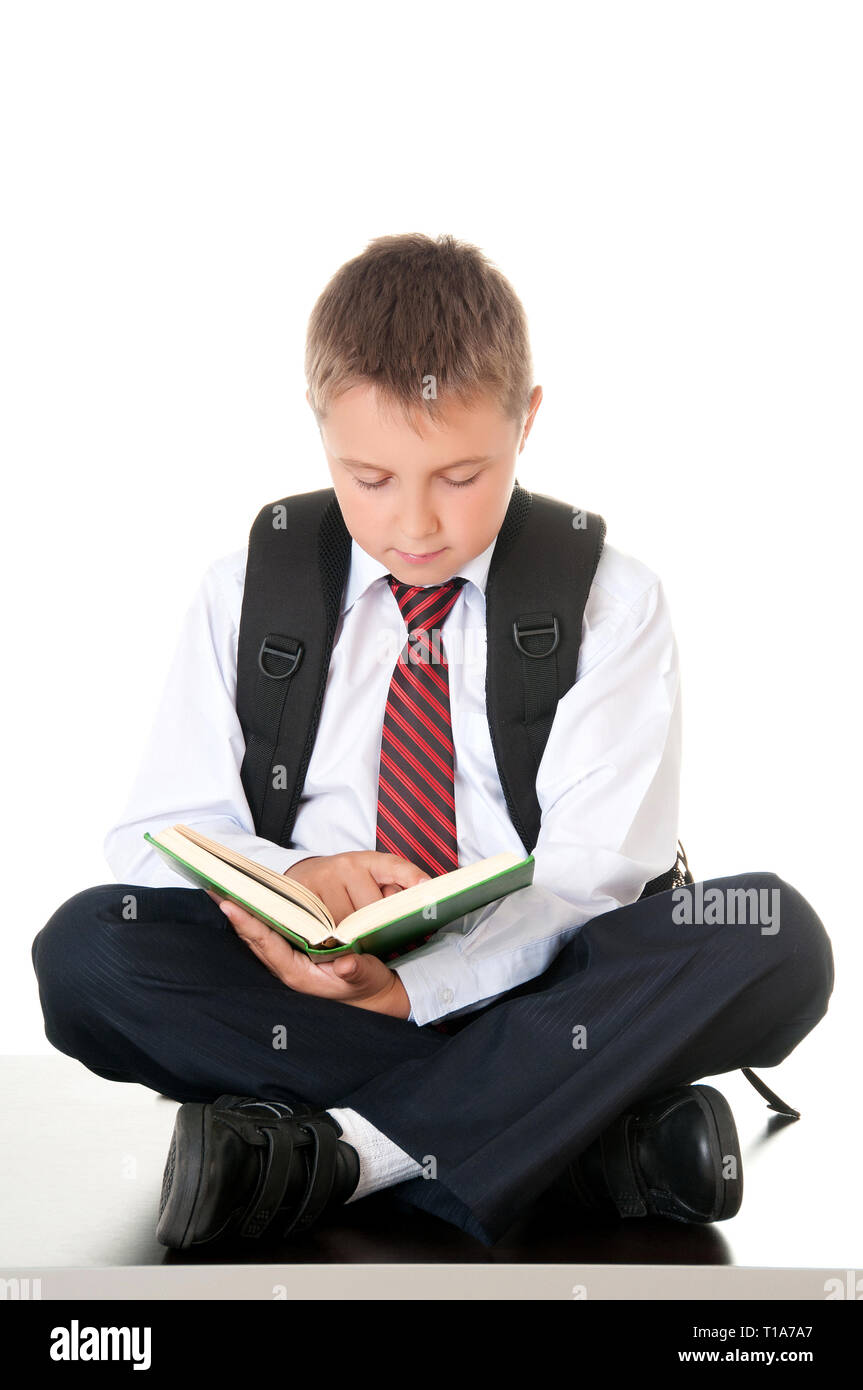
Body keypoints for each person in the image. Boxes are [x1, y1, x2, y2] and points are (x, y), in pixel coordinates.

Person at [31, 233, 834, 1251]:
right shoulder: (248, 590)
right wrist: (300, 879)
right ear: (319, 431)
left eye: (460, 475)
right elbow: (161, 830)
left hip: (543, 982)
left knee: (773, 932)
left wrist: (416, 988)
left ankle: (347, 1153)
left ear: (526, 420)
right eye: (367, 478)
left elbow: (586, 879)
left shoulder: (606, 599)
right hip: (318, 994)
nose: (413, 524)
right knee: (87, 951)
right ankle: (578, 1140)